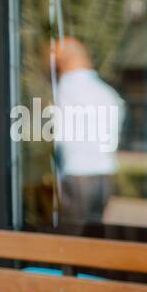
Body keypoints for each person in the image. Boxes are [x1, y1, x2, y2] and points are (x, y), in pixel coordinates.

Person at [52, 37, 123, 229]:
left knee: (71, 240)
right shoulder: (106, 92)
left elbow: (57, 135)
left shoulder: (64, 91)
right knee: (94, 234)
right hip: (104, 174)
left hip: (76, 175)